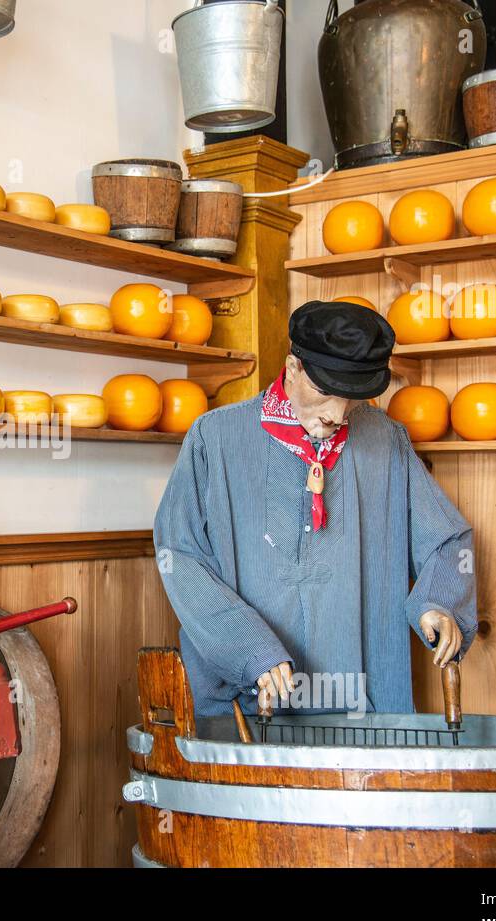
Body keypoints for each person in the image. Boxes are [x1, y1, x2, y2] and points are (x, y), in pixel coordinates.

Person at [153, 300, 476, 717]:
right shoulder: (214, 437)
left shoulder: (386, 440)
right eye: (324, 392)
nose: (336, 416)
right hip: (249, 701)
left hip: (363, 701)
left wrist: (438, 602)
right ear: (293, 368)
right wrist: (248, 648)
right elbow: (180, 554)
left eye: (352, 399)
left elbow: (447, 539)